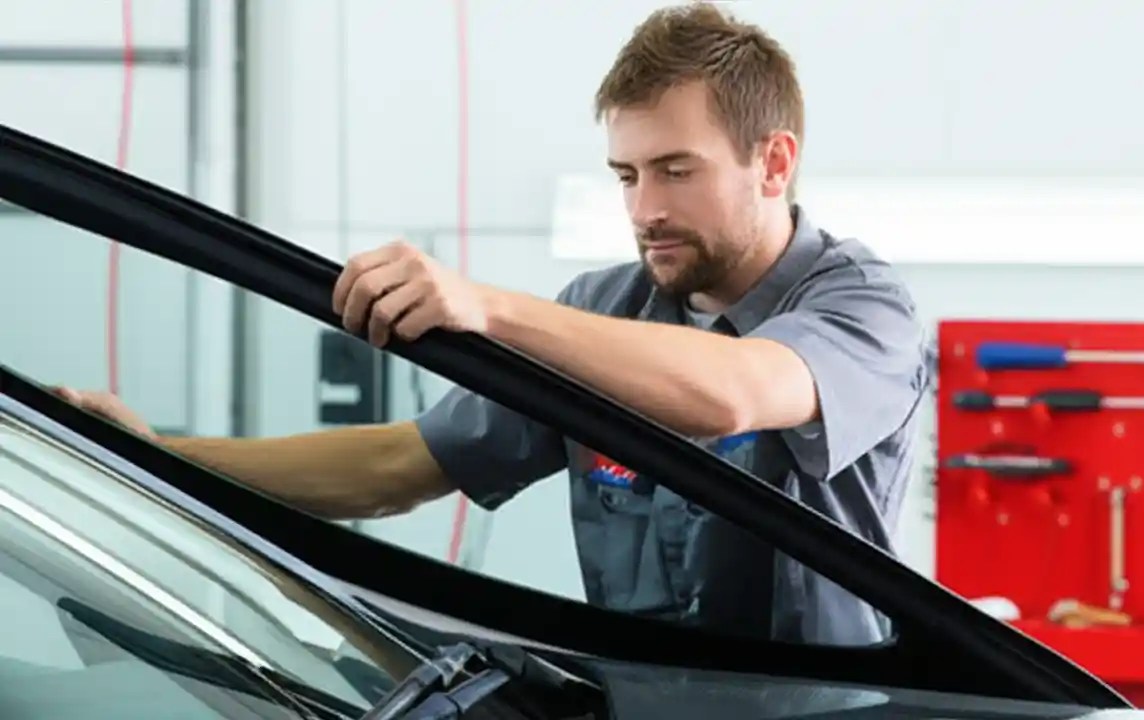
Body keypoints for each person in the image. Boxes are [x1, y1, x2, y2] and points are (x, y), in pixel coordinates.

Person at [56, 4, 930, 647]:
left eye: (676, 170)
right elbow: (398, 465)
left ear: (772, 162)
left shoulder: (859, 306)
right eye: (626, 175)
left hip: (831, 708)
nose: (646, 208)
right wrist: (160, 455)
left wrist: (490, 309)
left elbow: (734, 394)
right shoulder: (601, 309)